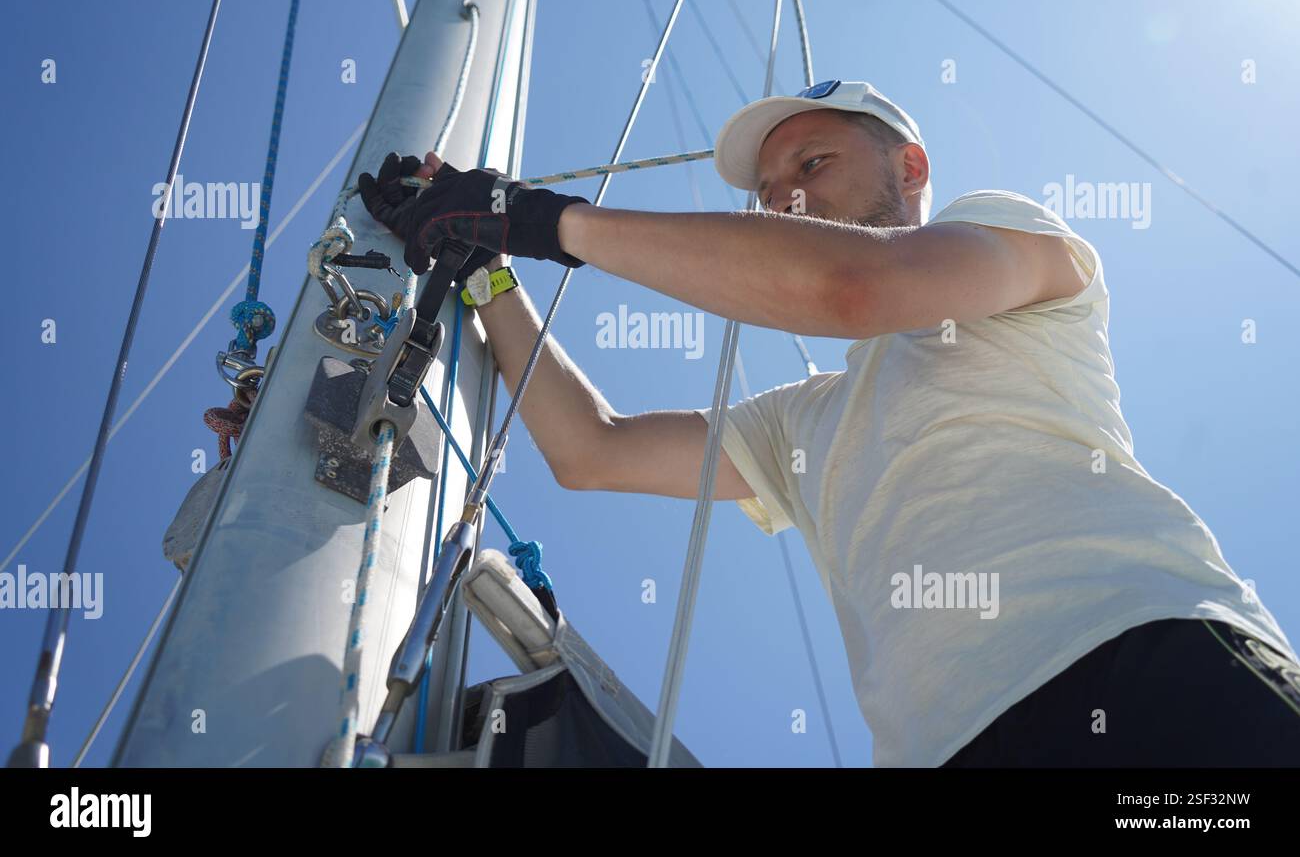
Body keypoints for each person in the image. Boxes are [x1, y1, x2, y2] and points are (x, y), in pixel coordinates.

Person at [357, 79, 1300, 767]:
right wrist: (484, 263)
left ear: (911, 166)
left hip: (1148, 667)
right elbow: (590, 449)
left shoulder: (1018, 250)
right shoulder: (800, 424)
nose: (787, 199)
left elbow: (853, 285)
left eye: (813, 164)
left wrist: (540, 219)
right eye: (768, 194)